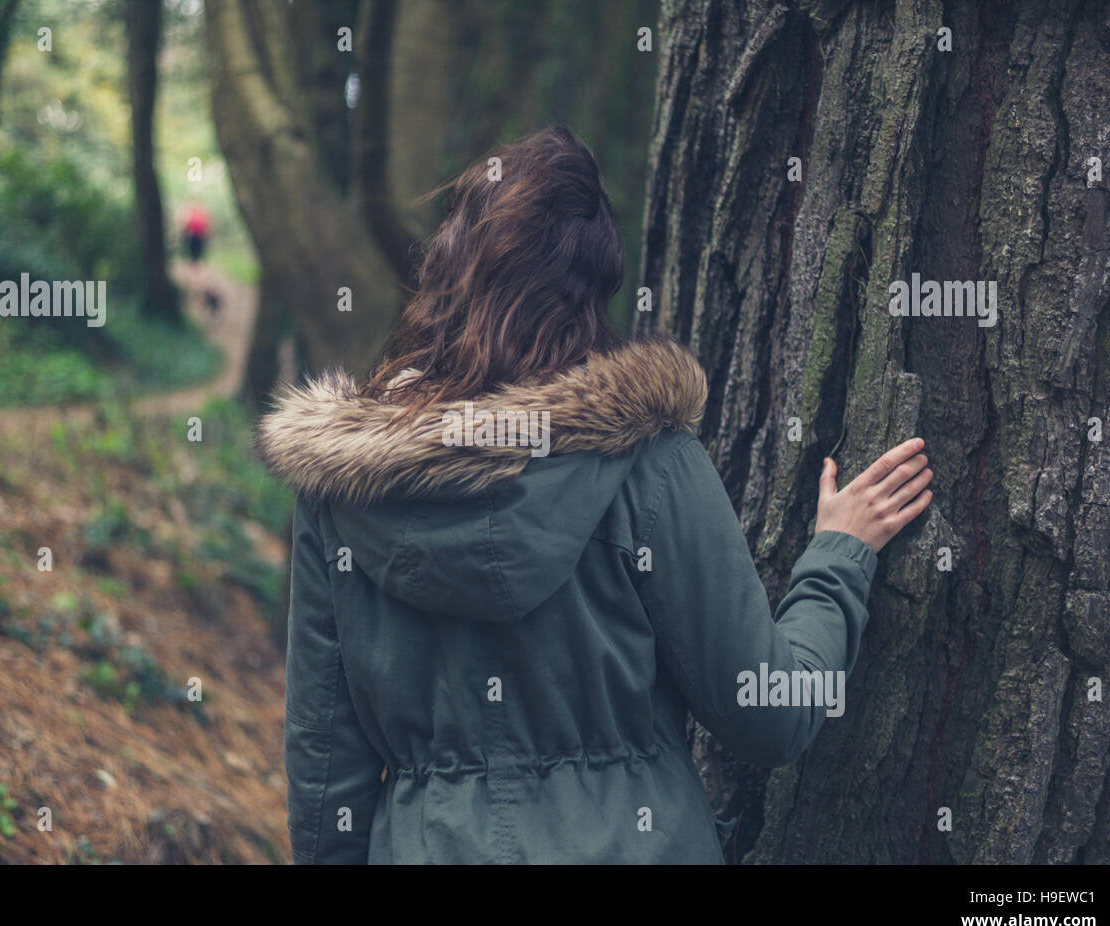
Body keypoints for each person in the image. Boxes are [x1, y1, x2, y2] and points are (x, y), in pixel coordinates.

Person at [259, 125, 932, 864]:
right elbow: (769, 714)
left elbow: (327, 796)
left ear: (447, 269)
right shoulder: (650, 466)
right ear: (593, 288)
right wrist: (838, 560)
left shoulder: (343, 494)